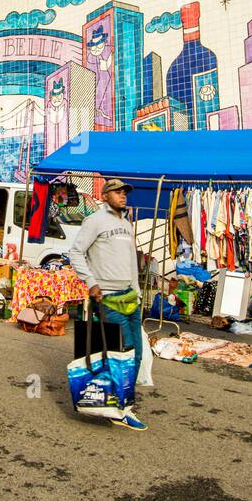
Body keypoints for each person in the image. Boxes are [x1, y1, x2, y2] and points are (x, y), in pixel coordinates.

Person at [66, 178, 147, 431]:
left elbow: (131, 260)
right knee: (124, 352)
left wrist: (137, 289)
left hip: (129, 296)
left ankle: (121, 402)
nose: (123, 196)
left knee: (137, 354)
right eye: (117, 192)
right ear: (105, 196)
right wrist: (91, 282)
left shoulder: (126, 224)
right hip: (108, 297)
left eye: (125, 192)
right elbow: (75, 252)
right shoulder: (95, 221)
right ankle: (121, 409)